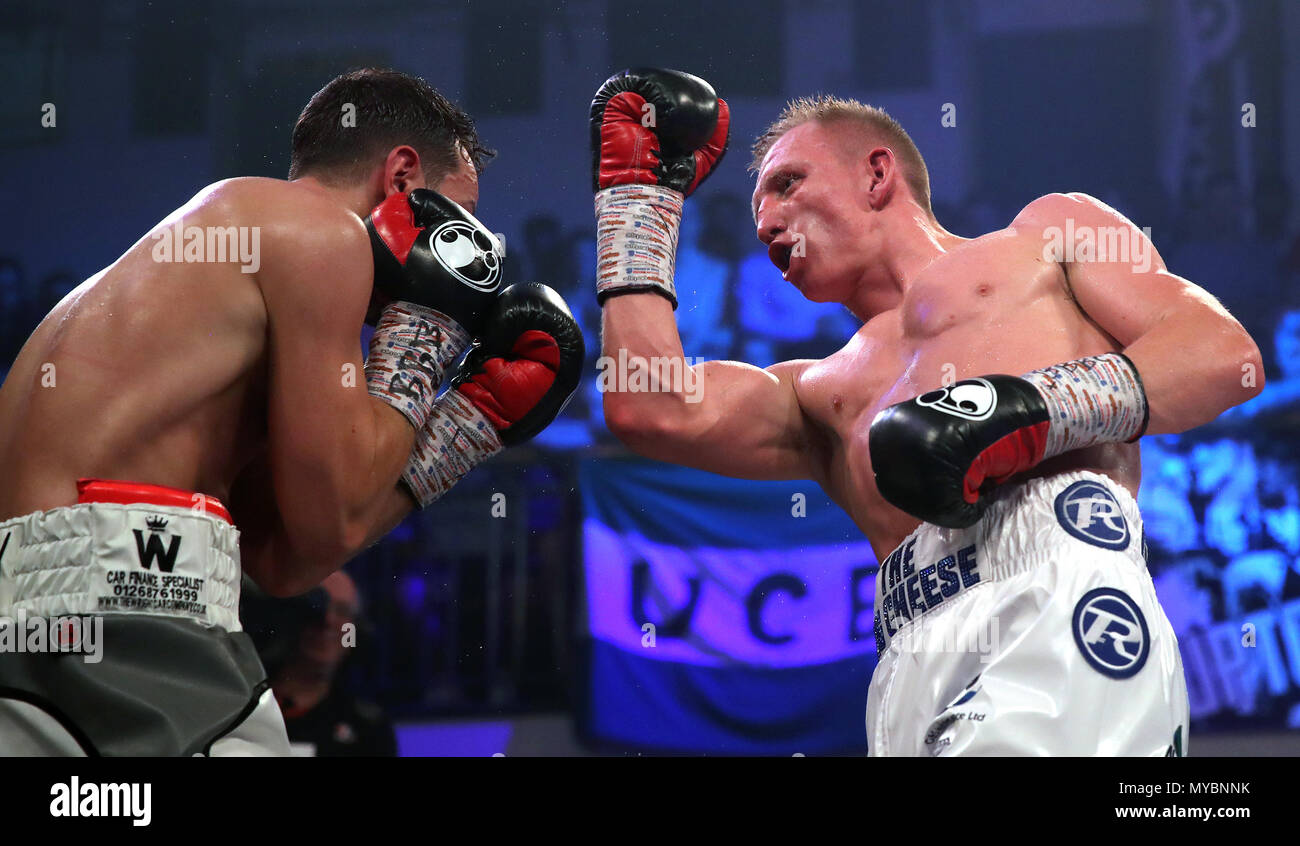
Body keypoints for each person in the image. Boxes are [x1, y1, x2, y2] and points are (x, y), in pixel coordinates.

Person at [591, 69, 1263, 756]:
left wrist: (1026, 410)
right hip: (908, 661)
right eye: (758, 208)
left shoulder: (1046, 238)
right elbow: (648, 404)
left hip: (1062, 597)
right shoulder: (816, 393)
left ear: (876, 174)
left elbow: (1220, 353)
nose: (765, 221)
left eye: (787, 184)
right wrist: (636, 202)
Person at [0, 68, 582, 756]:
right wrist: (428, 323)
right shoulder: (320, 236)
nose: (470, 248)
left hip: (72, 605)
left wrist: (465, 427)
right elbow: (337, 510)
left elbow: (286, 559)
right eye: (460, 215)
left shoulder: (215, 258)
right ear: (401, 178)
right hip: (125, 604)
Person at [272, 570, 397, 757]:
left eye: (342, 611)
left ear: (356, 631)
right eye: (316, 606)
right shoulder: (242, 704)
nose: (328, 620)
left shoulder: (367, 727)